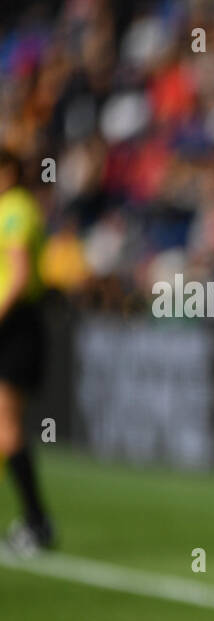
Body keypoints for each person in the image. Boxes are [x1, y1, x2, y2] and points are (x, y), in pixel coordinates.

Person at [0, 148, 55, 555]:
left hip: (16, 325)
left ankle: (37, 522)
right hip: (12, 323)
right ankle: (35, 520)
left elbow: (18, 274)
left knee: (7, 424)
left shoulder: (16, 208)